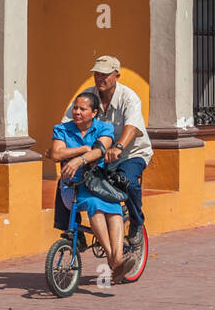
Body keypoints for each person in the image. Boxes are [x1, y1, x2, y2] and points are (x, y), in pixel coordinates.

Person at [60, 55, 151, 246]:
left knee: (127, 181)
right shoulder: (87, 96)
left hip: (130, 153)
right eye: (97, 74)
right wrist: (59, 146)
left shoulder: (128, 97)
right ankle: (72, 231)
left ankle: (136, 223)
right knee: (68, 177)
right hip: (98, 156)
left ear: (116, 75)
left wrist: (118, 147)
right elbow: (68, 122)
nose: (100, 78)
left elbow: (132, 126)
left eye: (105, 75)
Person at [47, 89, 126, 280]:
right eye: (75, 108)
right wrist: (83, 149)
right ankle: (112, 258)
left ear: (94, 112)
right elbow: (56, 154)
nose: (77, 112)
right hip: (72, 187)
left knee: (115, 209)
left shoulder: (104, 128)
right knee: (94, 206)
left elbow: (100, 150)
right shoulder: (62, 129)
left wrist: (77, 160)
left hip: (98, 182)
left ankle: (118, 256)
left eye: (82, 109)